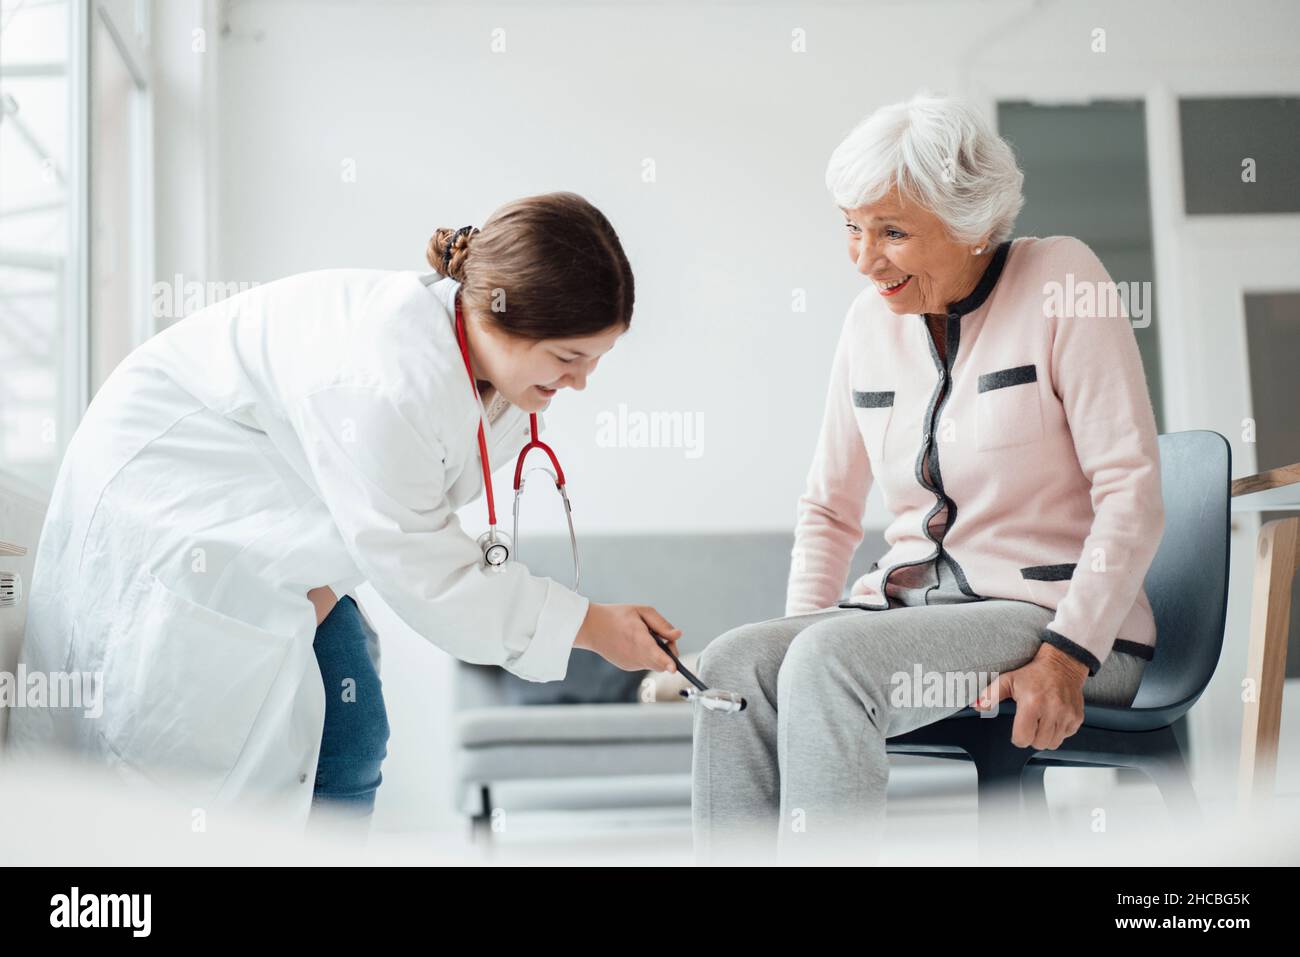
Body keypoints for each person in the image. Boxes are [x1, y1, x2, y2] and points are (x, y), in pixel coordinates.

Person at [9, 191, 682, 831]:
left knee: (349, 726)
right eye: (569, 357)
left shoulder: (461, 361)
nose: (581, 381)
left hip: (268, 536)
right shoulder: (389, 377)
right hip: (173, 531)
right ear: (504, 315)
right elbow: (428, 572)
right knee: (290, 754)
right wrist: (590, 625)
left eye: (596, 360)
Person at [691, 91, 1165, 865]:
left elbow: (1131, 493)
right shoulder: (866, 323)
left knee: (830, 662)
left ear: (972, 222)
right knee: (732, 666)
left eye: (893, 232)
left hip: (1053, 619)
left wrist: (1067, 654)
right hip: (908, 611)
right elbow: (828, 507)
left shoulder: (1060, 278)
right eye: (851, 226)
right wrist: (793, 645)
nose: (863, 258)